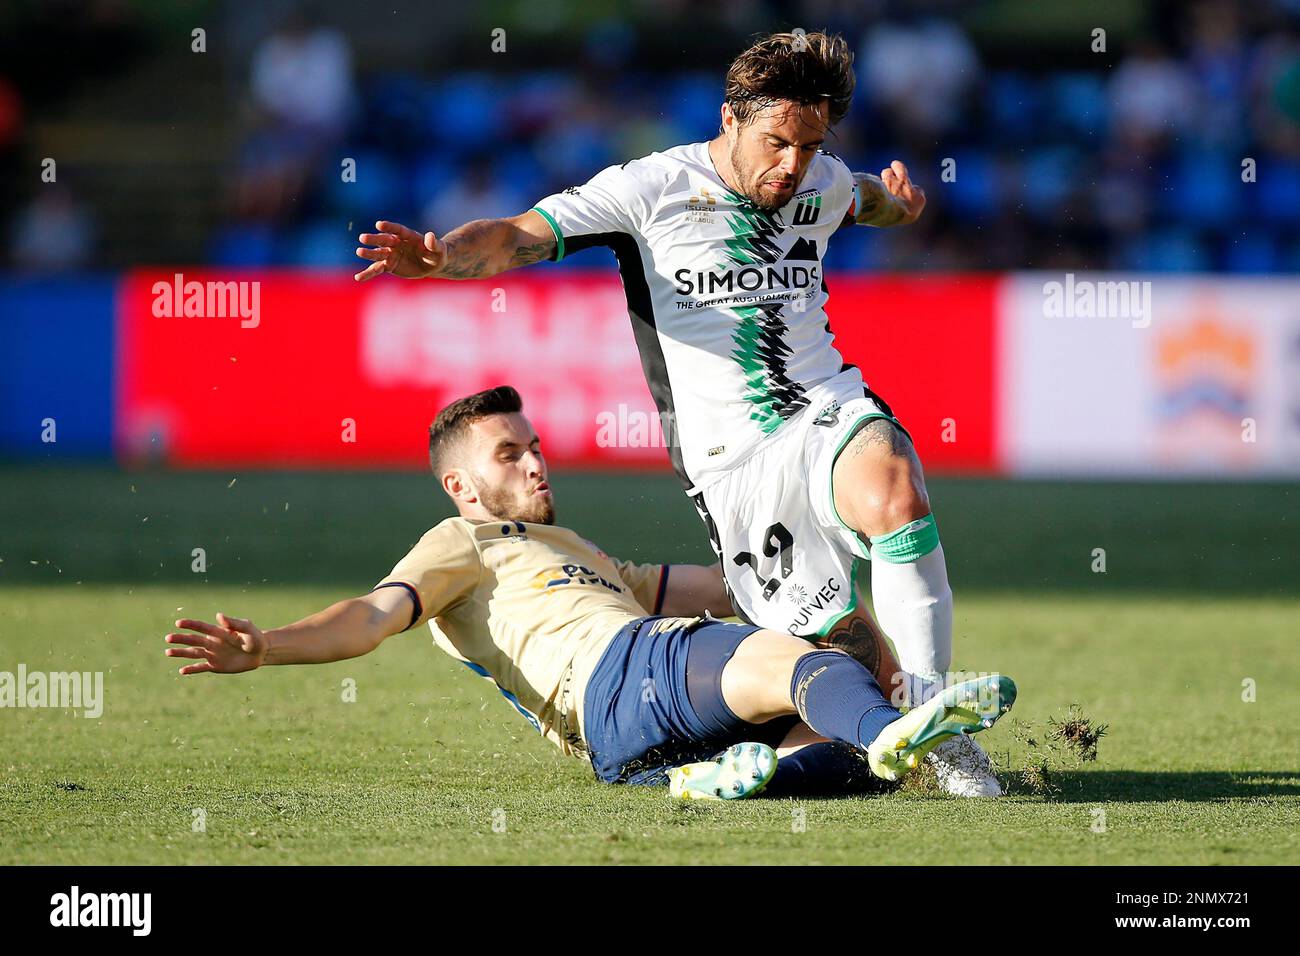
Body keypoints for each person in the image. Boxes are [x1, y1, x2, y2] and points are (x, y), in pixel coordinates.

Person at [351, 32, 997, 792]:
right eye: (777, 142)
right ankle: (871, 734)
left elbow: (868, 197)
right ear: (730, 117)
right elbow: (519, 235)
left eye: (811, 144)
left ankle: (933, 715)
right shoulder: (649, 188)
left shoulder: (820, 179)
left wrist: (902, 206)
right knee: (850, 655)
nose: (793, 165)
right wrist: (442, 258)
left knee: (894, 489)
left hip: (823, 401)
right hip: (731, 465)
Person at [163, 386, 1015, 799]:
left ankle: (721, 781)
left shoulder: (574, 552)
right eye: (509, 454)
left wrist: (839, 543)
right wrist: (267, 646)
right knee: (795, 665)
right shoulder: (460, 543)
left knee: (834, 738)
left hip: (624, 743)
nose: (536, 461)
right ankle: (903, 733)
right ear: (460, 486)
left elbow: (727, 585)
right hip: (615, 676)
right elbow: (373, 615)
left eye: (534, 445)